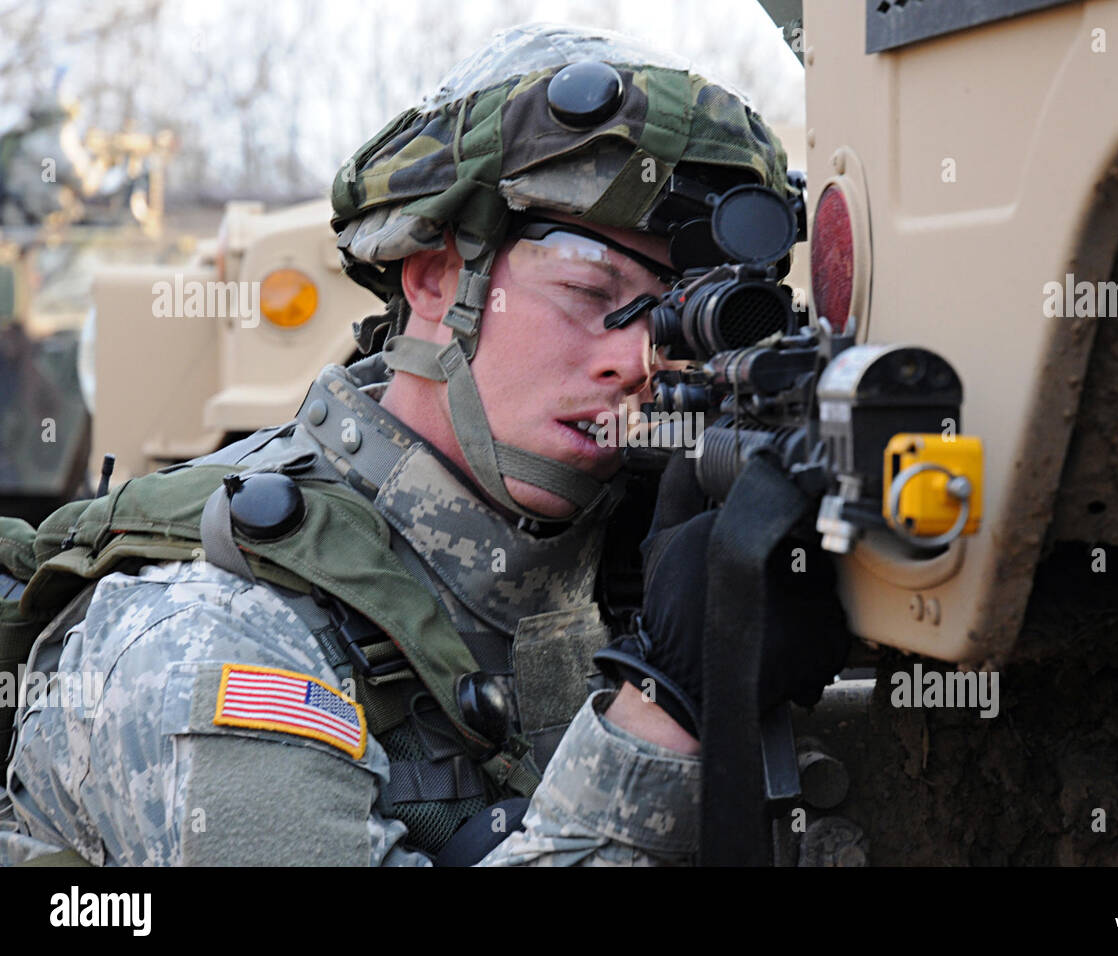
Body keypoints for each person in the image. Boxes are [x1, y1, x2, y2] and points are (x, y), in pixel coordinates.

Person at [0, 23, 849, 867]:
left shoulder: (648, 559)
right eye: (593, 293)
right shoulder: (214, 630)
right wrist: (669, 706)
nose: (638, 362)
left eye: (680, 323)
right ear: (437, 277)